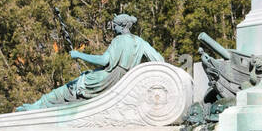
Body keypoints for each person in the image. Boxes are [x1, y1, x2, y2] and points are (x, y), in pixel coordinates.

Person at [16, 14, 163, 110]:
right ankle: (39, 105)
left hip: (108, 79)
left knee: (69, 88)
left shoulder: (118, 40)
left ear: (122, 25)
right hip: (124, 81)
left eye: (115, 25)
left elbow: (104, 60)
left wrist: (79, 55)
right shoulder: (140, 41)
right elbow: (159, 60)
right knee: (77, 84)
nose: (113, 27)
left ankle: (38, 106)